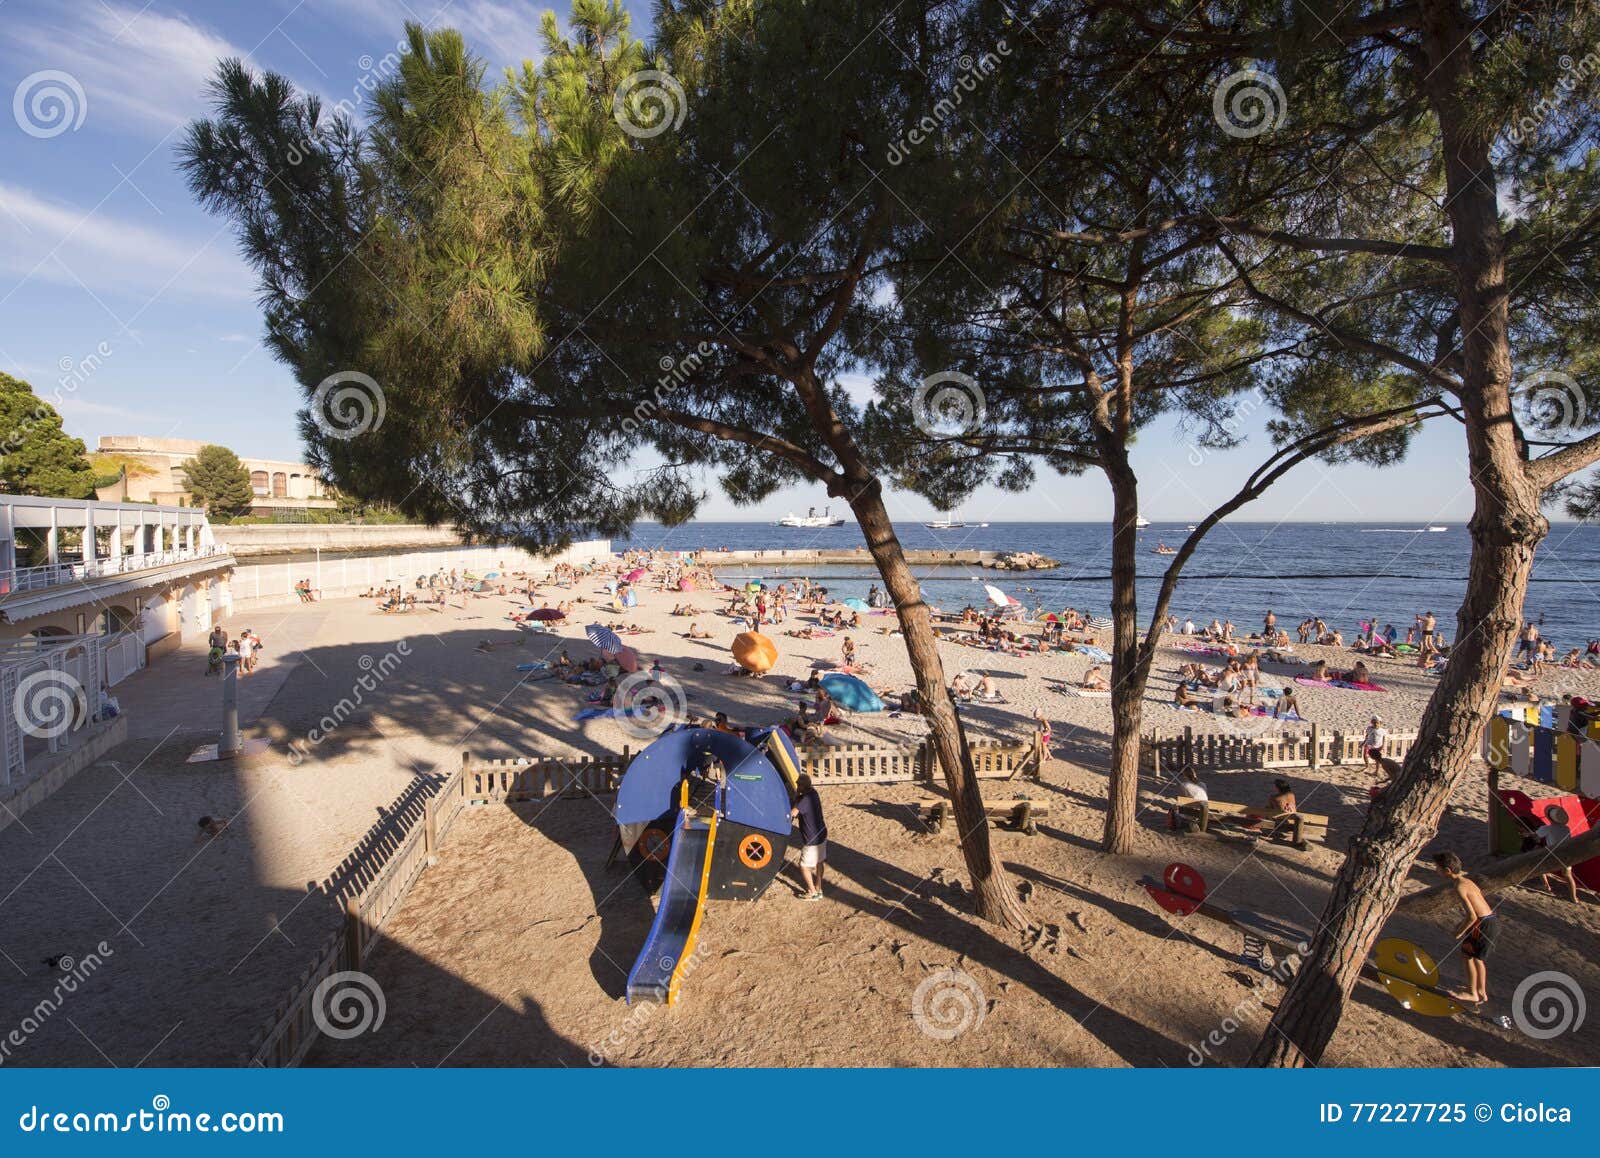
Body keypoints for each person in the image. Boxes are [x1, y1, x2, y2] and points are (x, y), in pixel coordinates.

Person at [1432, 851, 1496, 1006]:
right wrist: (1462, 924)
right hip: (1491, 921)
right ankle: (1481, 992)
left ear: (1447, 871)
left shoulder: (1460, 887)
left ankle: (1473, 993)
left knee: (1467, 956)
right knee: (1477, 959)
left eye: (1437, 868)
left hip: (1480, 924)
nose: (1436, 870)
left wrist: (1459, 931)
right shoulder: (1467, 881)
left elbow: (1472, 916)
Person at [789, 774, 828, 900]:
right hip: (822, 834)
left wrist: (795, 800)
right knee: (819, 862)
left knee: (804, 866)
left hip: (812, 839)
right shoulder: (813, 793)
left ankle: (812, 892)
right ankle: (819, 888)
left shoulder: (804, 800)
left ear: (803, 786)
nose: (797, 786)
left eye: (798, 784)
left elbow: (792, 814)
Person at [1534, 805, 1580, 904]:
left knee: (1539, 866)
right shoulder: (1566, 828)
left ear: (1549, 818)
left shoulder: (1547, 828)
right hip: (1566, 854)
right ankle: (1574, 897)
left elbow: (1536, 837)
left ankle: (1546, 885)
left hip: (1554, 854)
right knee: (1568, 875)